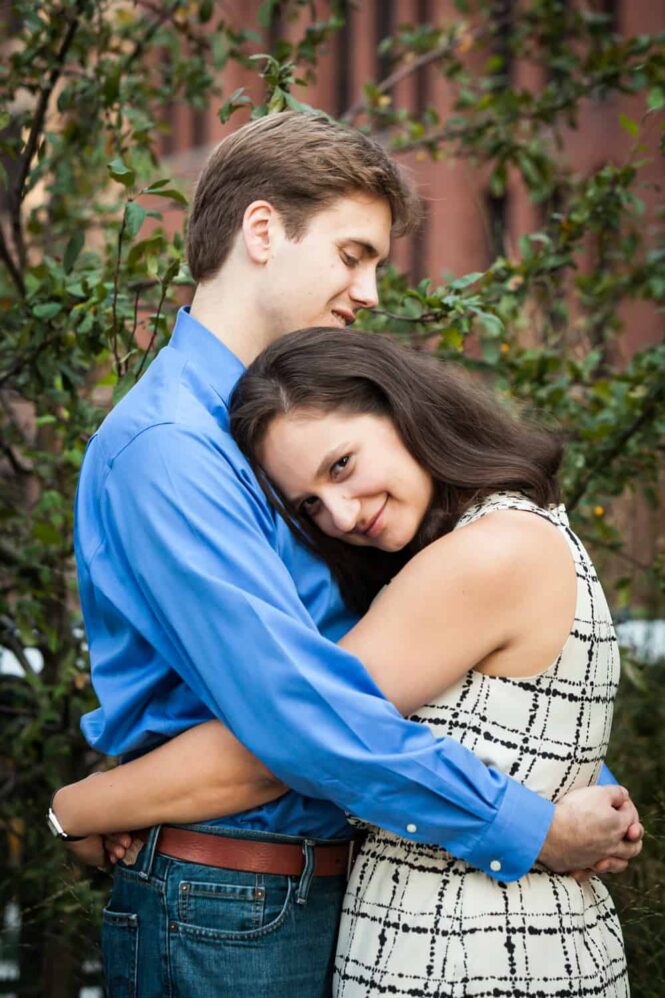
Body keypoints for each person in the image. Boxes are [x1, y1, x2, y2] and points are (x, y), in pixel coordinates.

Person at [52, 112, 641, 997]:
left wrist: (559, 761)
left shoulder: (293, 436)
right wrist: (523, 819)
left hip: (326, 886)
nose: (369, 290)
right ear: (261, 231)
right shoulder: (171, 448)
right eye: (352, 253)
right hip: (232, 894)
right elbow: (297, 714)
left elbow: (415, 649)